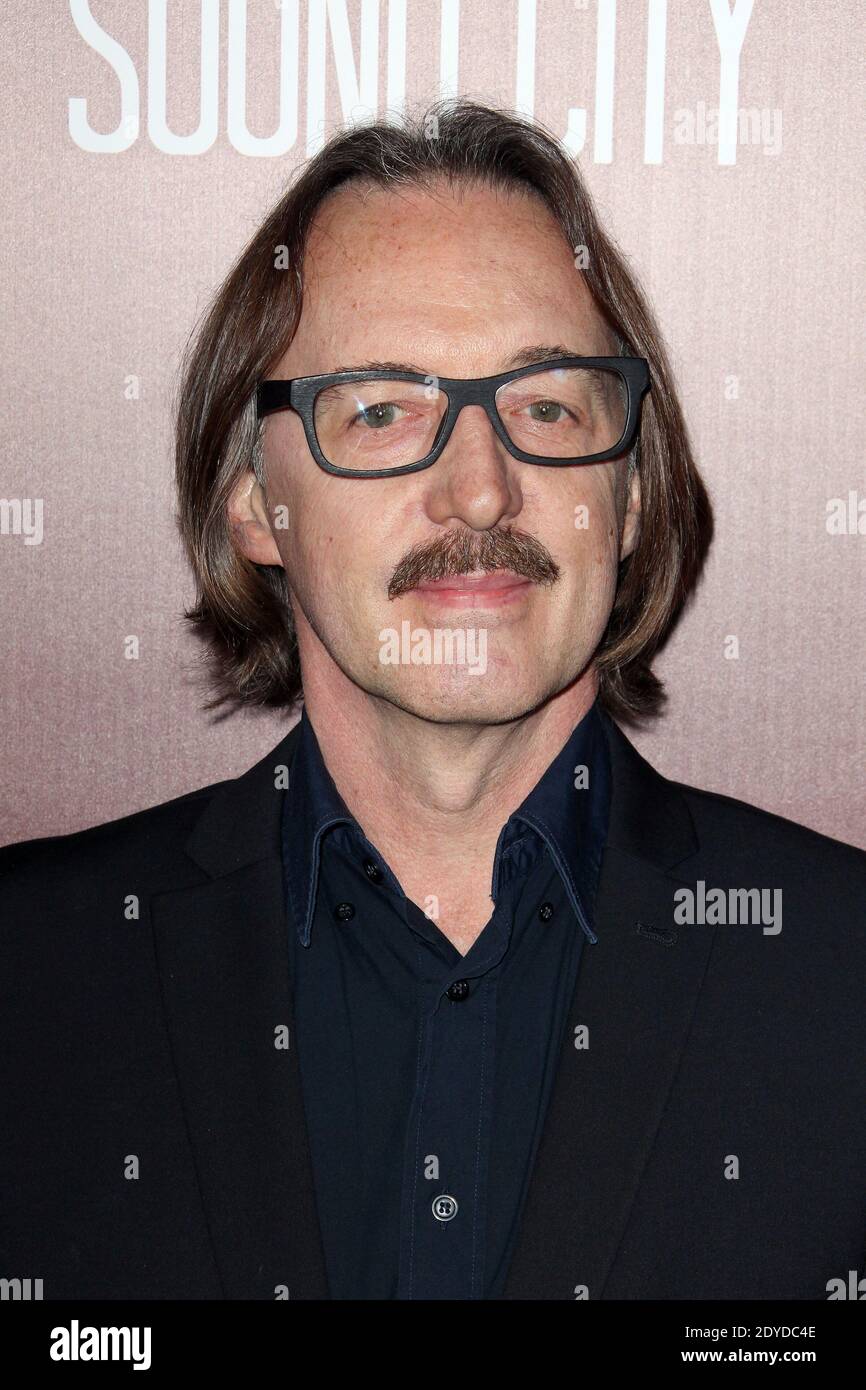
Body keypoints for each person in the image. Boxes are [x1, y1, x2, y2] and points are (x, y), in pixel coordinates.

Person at [1, 100, 863, 1302]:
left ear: (625, 494)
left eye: (547, 404)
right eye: (380, 409)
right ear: (254, 501)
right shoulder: (31, 976)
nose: (478, 489)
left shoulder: (841, 976)